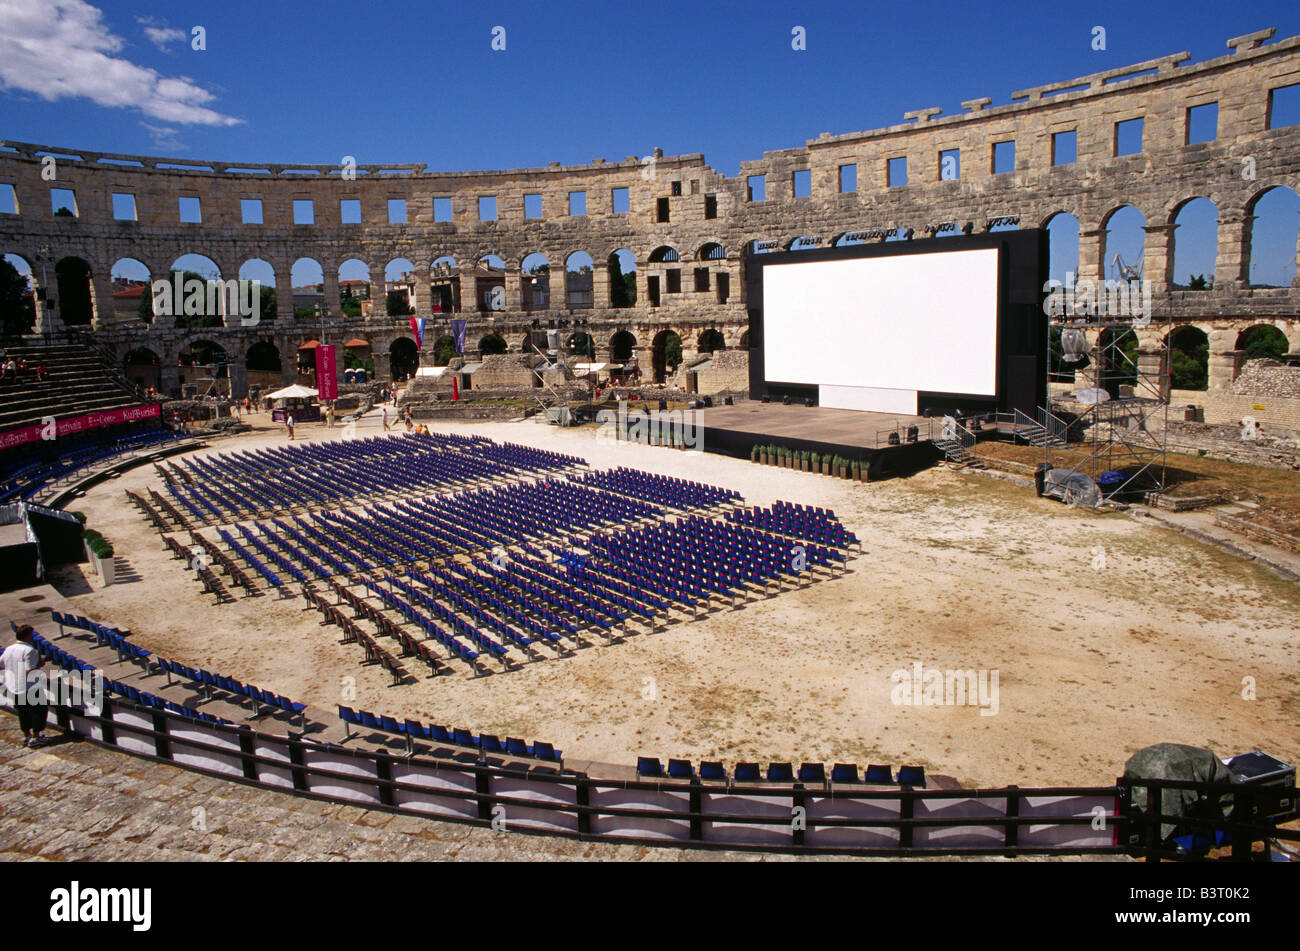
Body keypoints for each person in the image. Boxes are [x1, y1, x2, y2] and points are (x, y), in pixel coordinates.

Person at [2, 625, 49, 747]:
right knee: (39, 710)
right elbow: (29, 671)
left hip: (14, 686)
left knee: (23, 711)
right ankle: (36, 737)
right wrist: (39, 665)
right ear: (28, 636)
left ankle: (26, 735)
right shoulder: (29, 650)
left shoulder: (9, 649)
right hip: (29, 687)